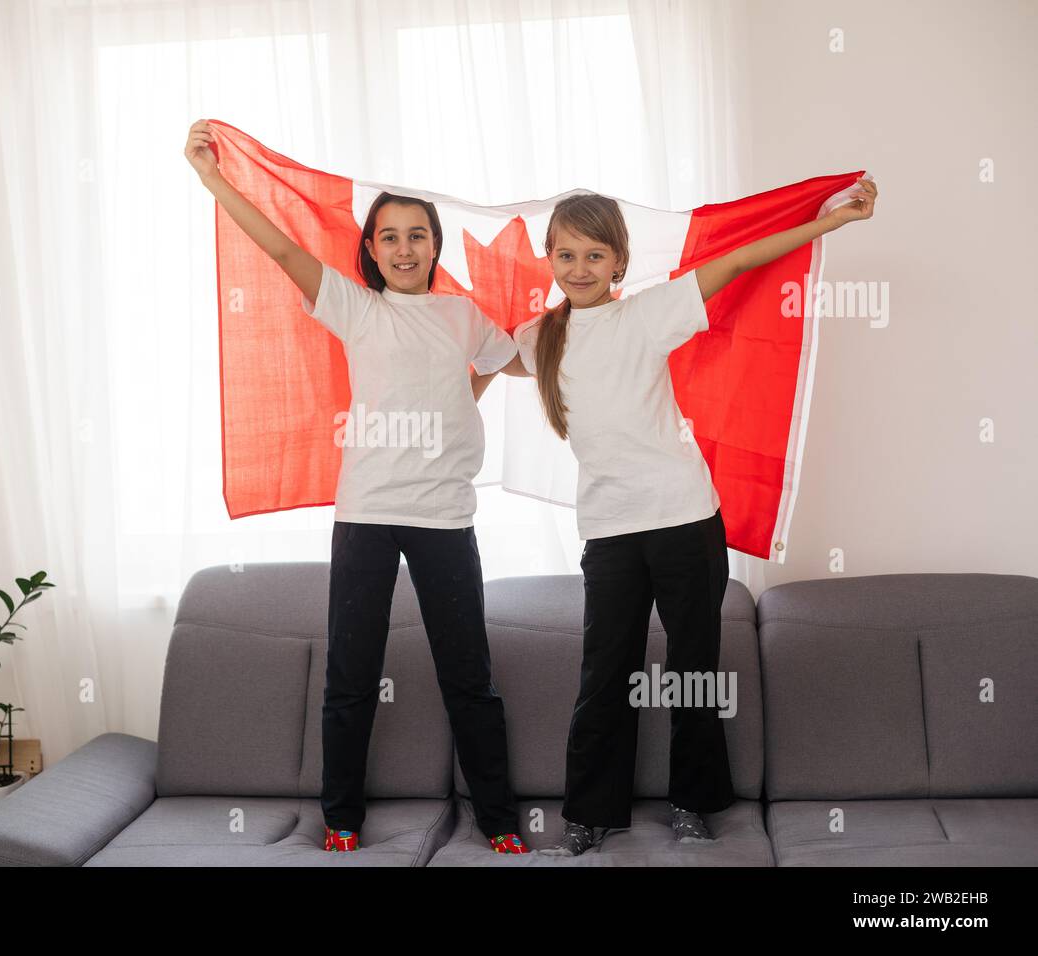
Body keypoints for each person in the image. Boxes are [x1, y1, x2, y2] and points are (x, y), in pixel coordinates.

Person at [487, 179, 878, 856]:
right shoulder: (538, 338)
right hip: (608, 534)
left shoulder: (647, 314)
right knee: (604, 672)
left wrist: (828, 224)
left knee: (692, 667)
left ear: (619, 262)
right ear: (549, 257)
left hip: (684, 519)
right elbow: (471, 355)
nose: (579, 268)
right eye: (566, 255)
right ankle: (591, 811)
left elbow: (736, 262)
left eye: (594, 255)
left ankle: (694, 802)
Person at [184, 119, 528, 853]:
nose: (405, 249)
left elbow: (509, 357)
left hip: (444, 518)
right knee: (351, 675)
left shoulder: (462, 315)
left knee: (469, 675)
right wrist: (214, 179)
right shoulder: (355, 307)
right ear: (371, 250)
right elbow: (278, 246)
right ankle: (341, 819)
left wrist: (471, 392)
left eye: (417, 235)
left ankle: (498, 819)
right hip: (368, 516)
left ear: (436, 245)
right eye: (391, 237)